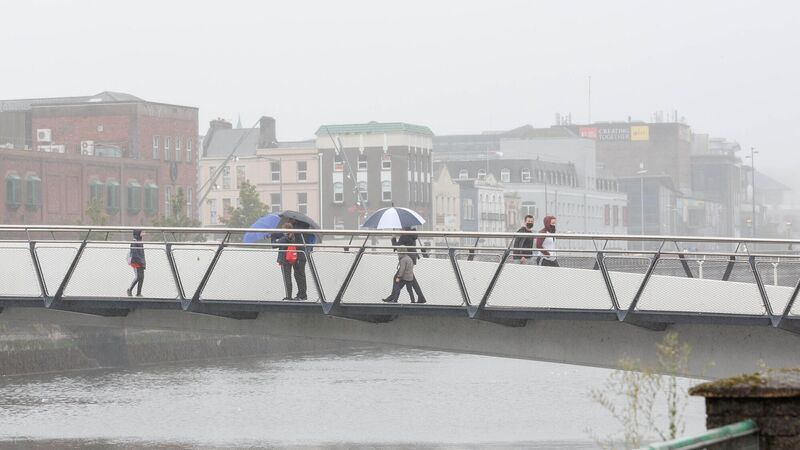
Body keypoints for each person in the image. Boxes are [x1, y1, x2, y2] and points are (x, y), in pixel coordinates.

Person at [389, 226, 427, 303]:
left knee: (397, 278)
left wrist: (393, 238)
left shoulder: (404, 236)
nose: (399, 230)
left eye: (400, 229)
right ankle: (421, 297)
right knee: (411, 280)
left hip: (406, 260)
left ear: (404, 229)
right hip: (412, 258)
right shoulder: (412, 234)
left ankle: (393, 297)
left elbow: (397, 247)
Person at [275, 223, 307, 300]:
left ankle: (293, 296)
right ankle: (301, 295)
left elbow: (275, 244)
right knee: (299, 277)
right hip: (294, 257)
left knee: (292, 277)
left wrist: (277, 238)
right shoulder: (296, 235)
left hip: (289, 258)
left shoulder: (286, 237)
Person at [127, 229, 146, 297]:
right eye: (141, 232)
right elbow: (135, 253)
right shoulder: (134, 241)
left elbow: (141, 253)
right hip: (137, 262)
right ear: (138, 233)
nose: (143, 233)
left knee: (142, 277)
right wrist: (140, 261)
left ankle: (138, 293)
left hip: (140, 262)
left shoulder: (139, 241)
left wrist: (143, 262)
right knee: (138, 277)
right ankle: (129, 289)